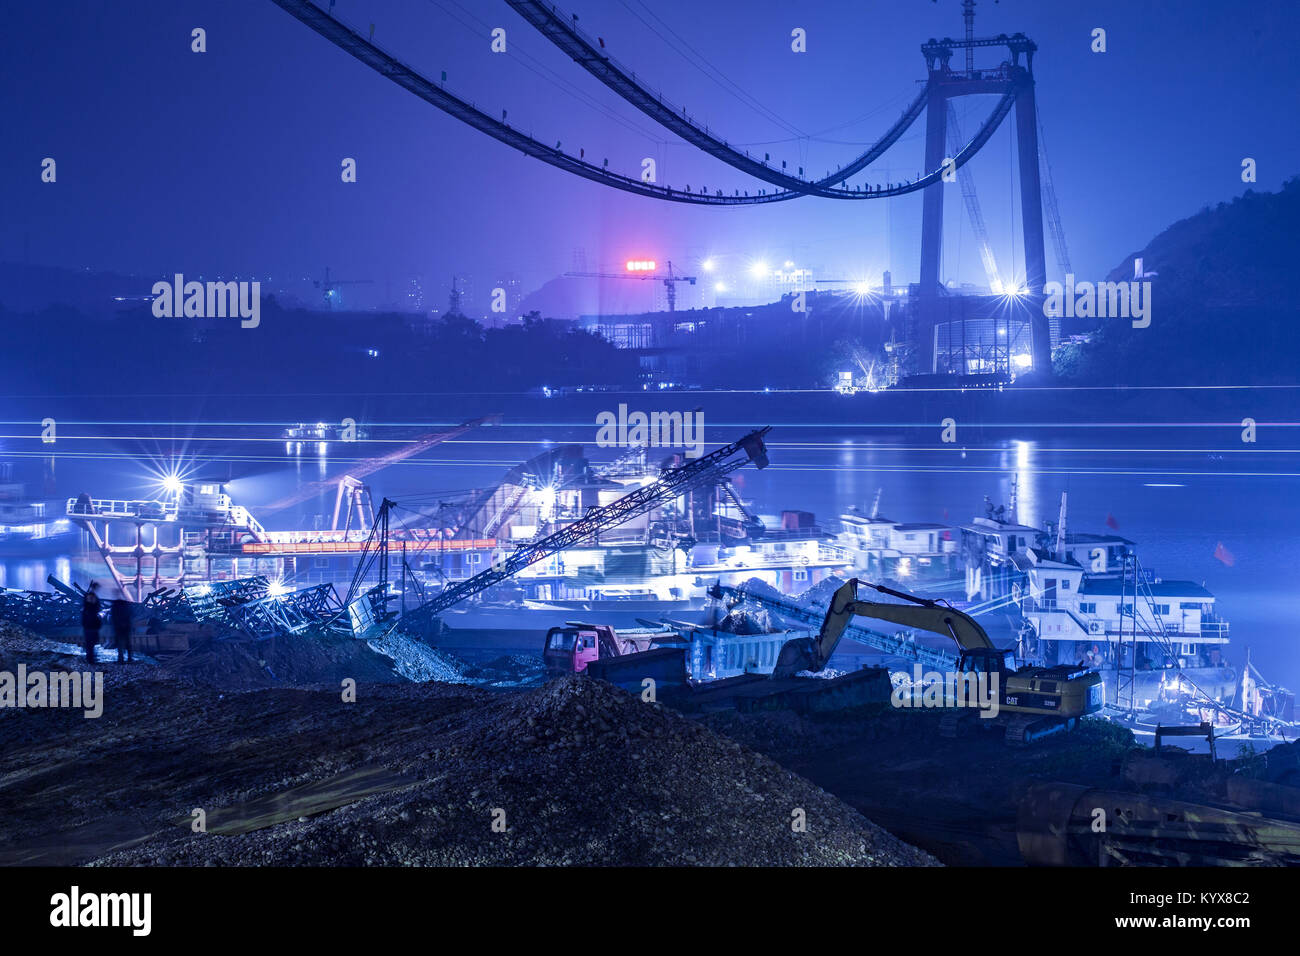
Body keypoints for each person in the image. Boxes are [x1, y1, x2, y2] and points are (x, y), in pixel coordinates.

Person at [81, 581, 102, 665]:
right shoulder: (91, 596)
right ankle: (90, 659)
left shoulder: (89, 596)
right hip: (91, 624)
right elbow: (92, 609)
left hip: (89, 624)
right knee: (91, 642)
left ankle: (90, 658)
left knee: (90, 642)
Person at [110, 596, 133, 664]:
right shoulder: (126, 606)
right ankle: (129, 658)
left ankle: (121, 659)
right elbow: (129, 616)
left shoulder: (115, 607)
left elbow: (114, 617)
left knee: (120, 644)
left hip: (119, 628)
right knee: (127, 643)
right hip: (126, 627)